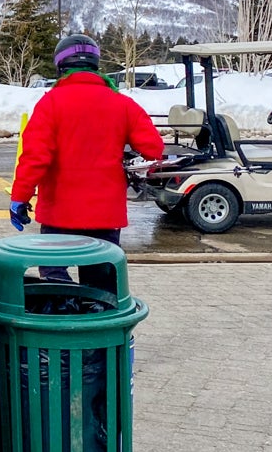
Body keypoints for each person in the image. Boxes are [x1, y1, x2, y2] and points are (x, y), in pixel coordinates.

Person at [9, 34, 161, 275]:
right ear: (95, 65)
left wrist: (20, 197)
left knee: (55, 285)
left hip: (59, 216)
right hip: (106, 216)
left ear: (61, 65)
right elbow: (153, 148)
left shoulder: (50, 104)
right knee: (102, 293)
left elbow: (35, 158)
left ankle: (62, 307)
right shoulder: (123, 104)